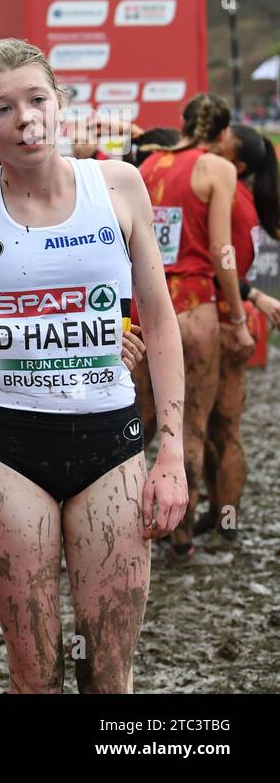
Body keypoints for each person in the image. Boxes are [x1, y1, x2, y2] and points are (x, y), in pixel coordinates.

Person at [0, 38, 187, 693]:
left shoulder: (119, 183)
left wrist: (172, 456)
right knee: (36, 671)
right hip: (11, 449)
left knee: (108, 671)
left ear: (61, 102)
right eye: (2, 108)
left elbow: (159, 324)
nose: (25, 119)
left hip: (111, 444)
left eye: (38, 99)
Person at [138, 94, 252, 561]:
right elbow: (222, 251)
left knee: (138, 427)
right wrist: (240, 318)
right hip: (195, 306)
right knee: (191, 429)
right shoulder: (216, 168)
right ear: (223, 135)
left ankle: (129, 522)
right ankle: (181, 539)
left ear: (182, 124)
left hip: (148, 304)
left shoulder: (147, 168)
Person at [199, 124, 280, 541]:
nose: (210, 145)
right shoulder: (241, 197)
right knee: (217, 429)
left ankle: (224, 521)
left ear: (238, 163)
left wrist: (240, 307)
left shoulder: (228, 201)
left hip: (224, 317)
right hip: (233, 315)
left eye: (221, 143)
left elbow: (221, 266)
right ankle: (219, 516)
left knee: (219, 430)